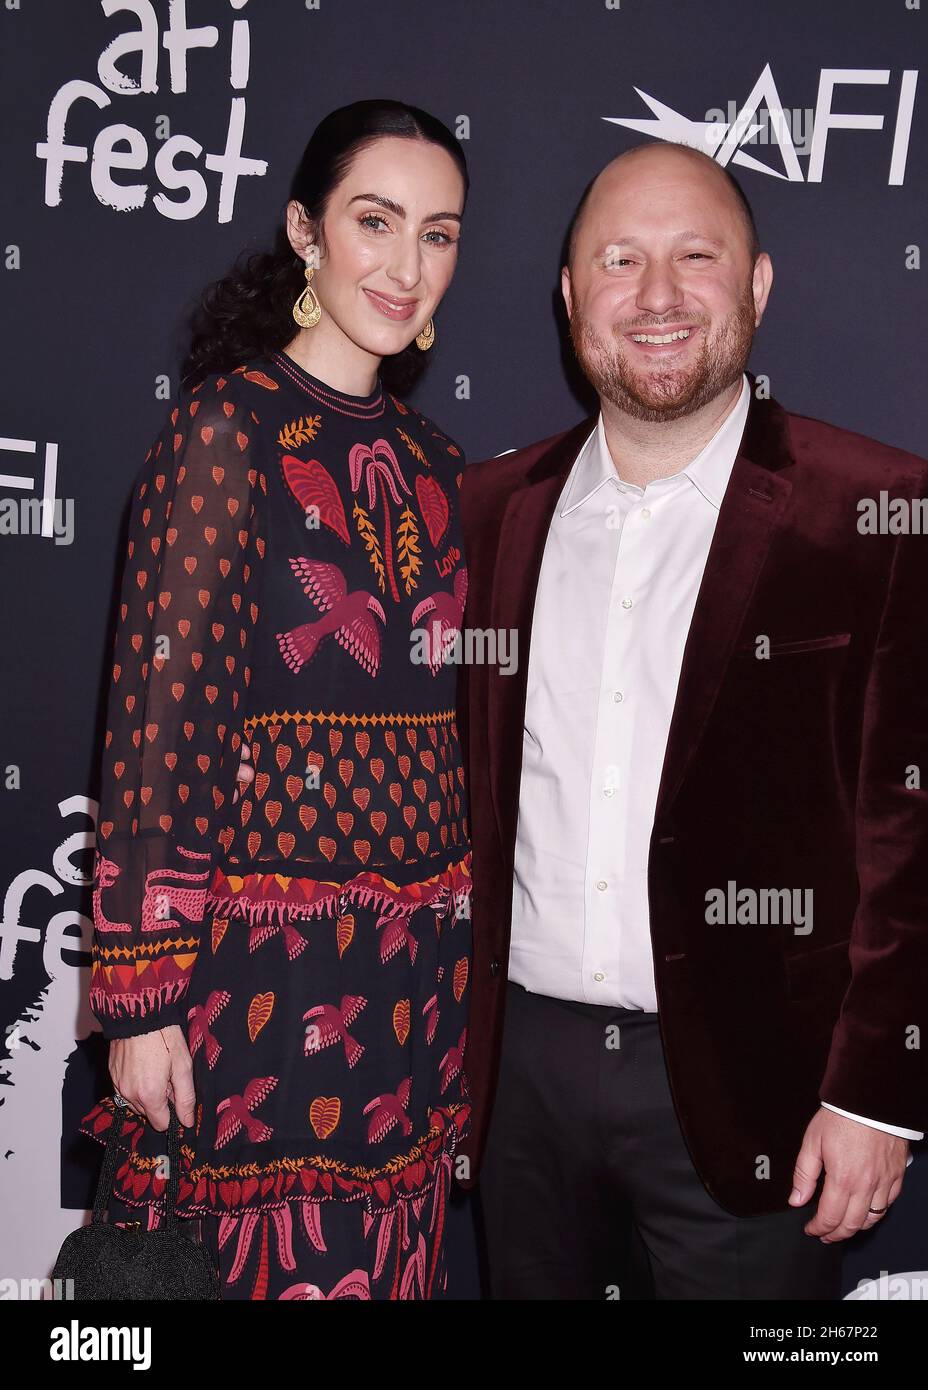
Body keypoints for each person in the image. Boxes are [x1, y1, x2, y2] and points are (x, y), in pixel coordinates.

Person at [455, 138, 927, 1299]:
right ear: (571, 301)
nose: (656, 296)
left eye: (694, 256)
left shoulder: (879, 511)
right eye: (619, 261)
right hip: (516, 1078)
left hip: (757, 1080)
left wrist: (874, 1094)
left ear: (757, 285)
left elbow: (911, 834)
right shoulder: (481, 513)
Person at [79, 99, 473, 1301]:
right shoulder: (223, 437)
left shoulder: (444, 469)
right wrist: (142, 1001)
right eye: (376, 221)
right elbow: (160, 726)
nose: (407, 267)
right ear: (306, 233)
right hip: (260, 986)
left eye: (441, 234)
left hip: (410, 988)